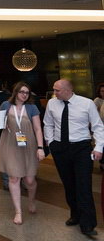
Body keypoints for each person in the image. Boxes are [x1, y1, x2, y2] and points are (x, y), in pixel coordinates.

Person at [44, 79, 104, 236]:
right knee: (69, 184)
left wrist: (98, 147)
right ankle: (75, 215)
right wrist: (51, 142)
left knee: (83, 185)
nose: (54, 93)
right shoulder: (52, 104)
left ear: (67, 90)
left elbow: (98, 126)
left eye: (57, 90)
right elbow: (48, 124)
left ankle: (87, 224)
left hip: (81, 149)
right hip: (60, 149)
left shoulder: (87, 103)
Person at [0, 82, 45, 225]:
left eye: (27, 92)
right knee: (14, 178)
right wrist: (0, 122)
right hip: (10, 144)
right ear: (15, 92)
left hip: (28, 145)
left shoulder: (32, 108)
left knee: (29, 180)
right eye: (22, 92)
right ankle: (18, 212)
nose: (24, 95)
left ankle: (31, 200)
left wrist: (40, 147)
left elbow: (38, 129)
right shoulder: (5, 105)